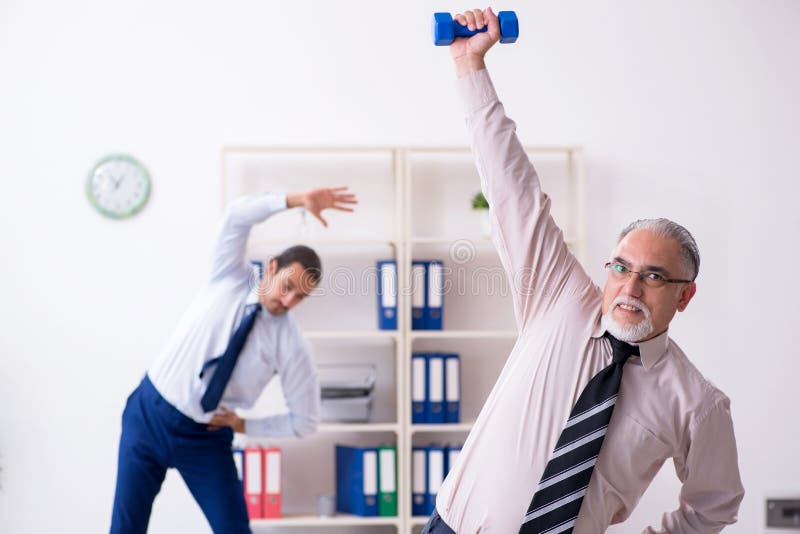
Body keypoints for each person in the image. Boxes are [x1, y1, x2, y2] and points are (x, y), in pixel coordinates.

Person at [423, 8, 744, 534]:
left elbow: (715, 505)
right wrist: (469, 66)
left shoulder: (698, 404)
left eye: (654, 276)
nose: (630, 287)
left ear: (684, 296)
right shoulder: (558, 299)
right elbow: (512, 189)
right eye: (621, 267)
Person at [110, 187, 357, 533]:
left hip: (205, 438)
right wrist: (296, 201)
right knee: (125, 528)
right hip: (149, 414)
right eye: (286, 286)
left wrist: (245, 426)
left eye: (300, 297)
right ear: (271, 268)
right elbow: (236, 216)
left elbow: (306, 420)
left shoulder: (291, 344)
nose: (288, 300)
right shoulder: (228, 277)